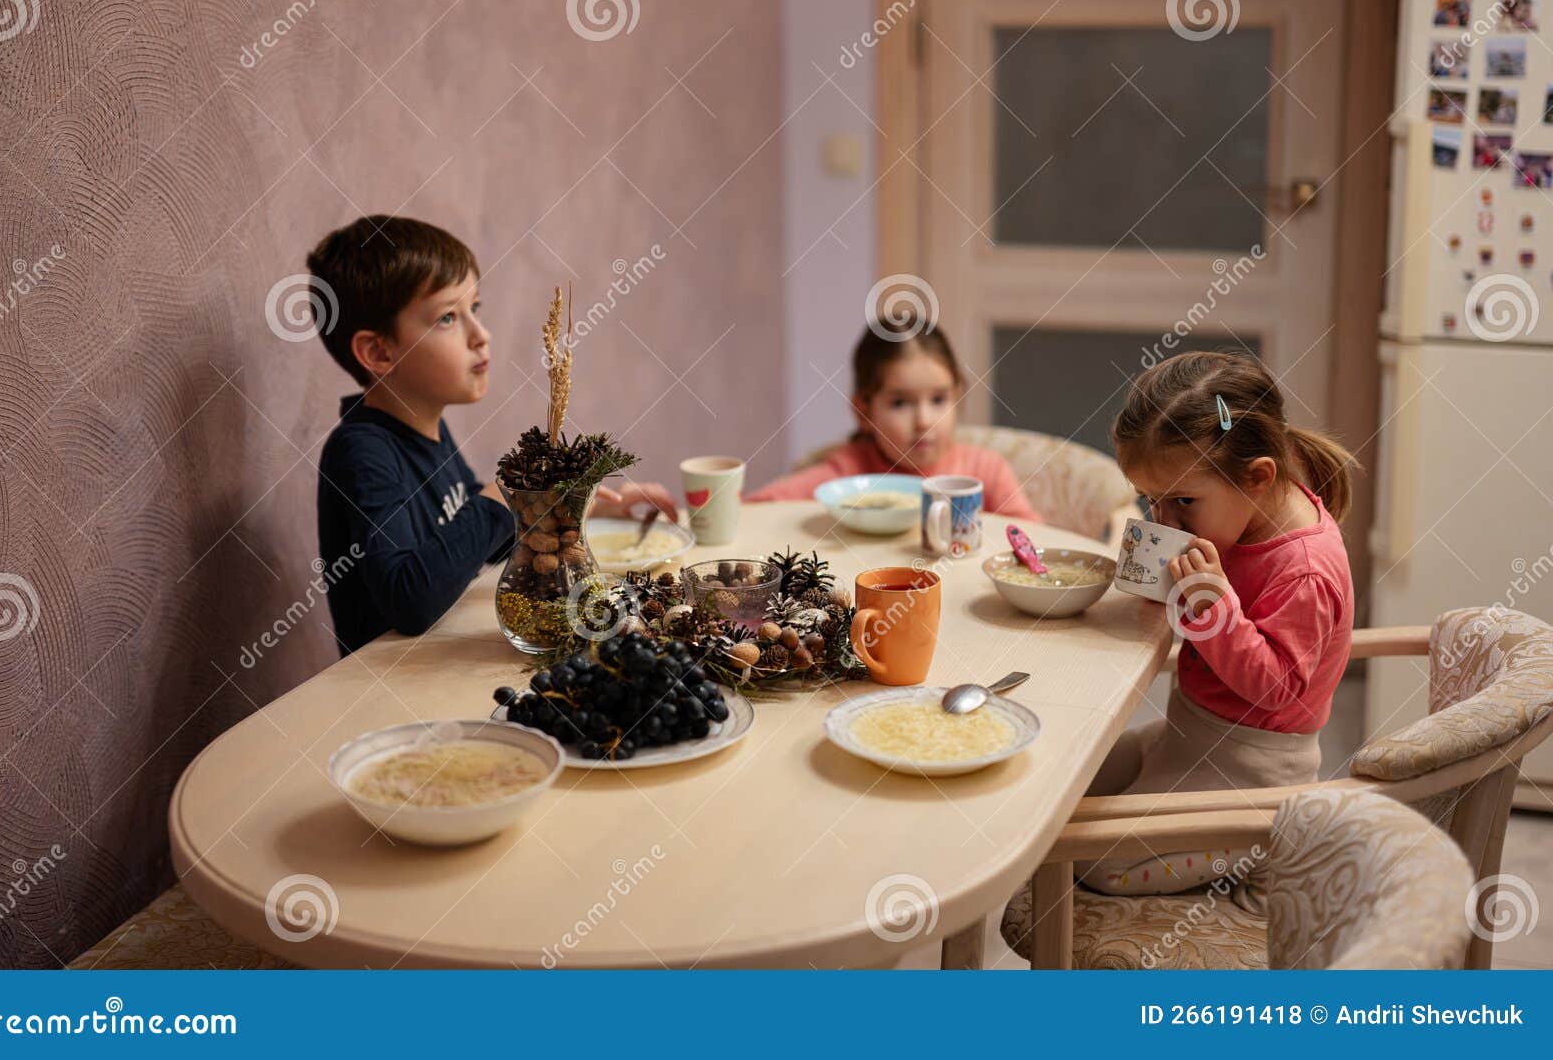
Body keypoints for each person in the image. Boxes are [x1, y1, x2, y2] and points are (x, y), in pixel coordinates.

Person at [310, 215, 674, 654]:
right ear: (378, 352)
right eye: (447, 318)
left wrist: (575, 512)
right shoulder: (361, 451)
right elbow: (410, 602)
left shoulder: (426, 431)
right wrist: (500, 500)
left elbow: (484, 548)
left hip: (435, 666)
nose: (481, 336)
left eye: (474, 310)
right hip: (389, 684)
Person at [1079, 350, 1357, 896]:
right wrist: (1158, 580)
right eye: (1153, 501)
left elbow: (1275, 688)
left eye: (1182, 500)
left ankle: (1251, 849)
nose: (1166, 521)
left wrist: (1212, 607)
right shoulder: (1234, 516)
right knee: (1064, 790)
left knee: (1096, 862)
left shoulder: (1306, 572)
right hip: (1189, 732)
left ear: (1257, 477)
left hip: (1252, 774)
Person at [747, 321, 1040, 519]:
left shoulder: (985, 471)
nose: (924, 420)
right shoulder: (850, 473)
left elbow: (1031, 540)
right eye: (900, 403)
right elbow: (758, 509)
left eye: (938, 399)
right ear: (863, 412)